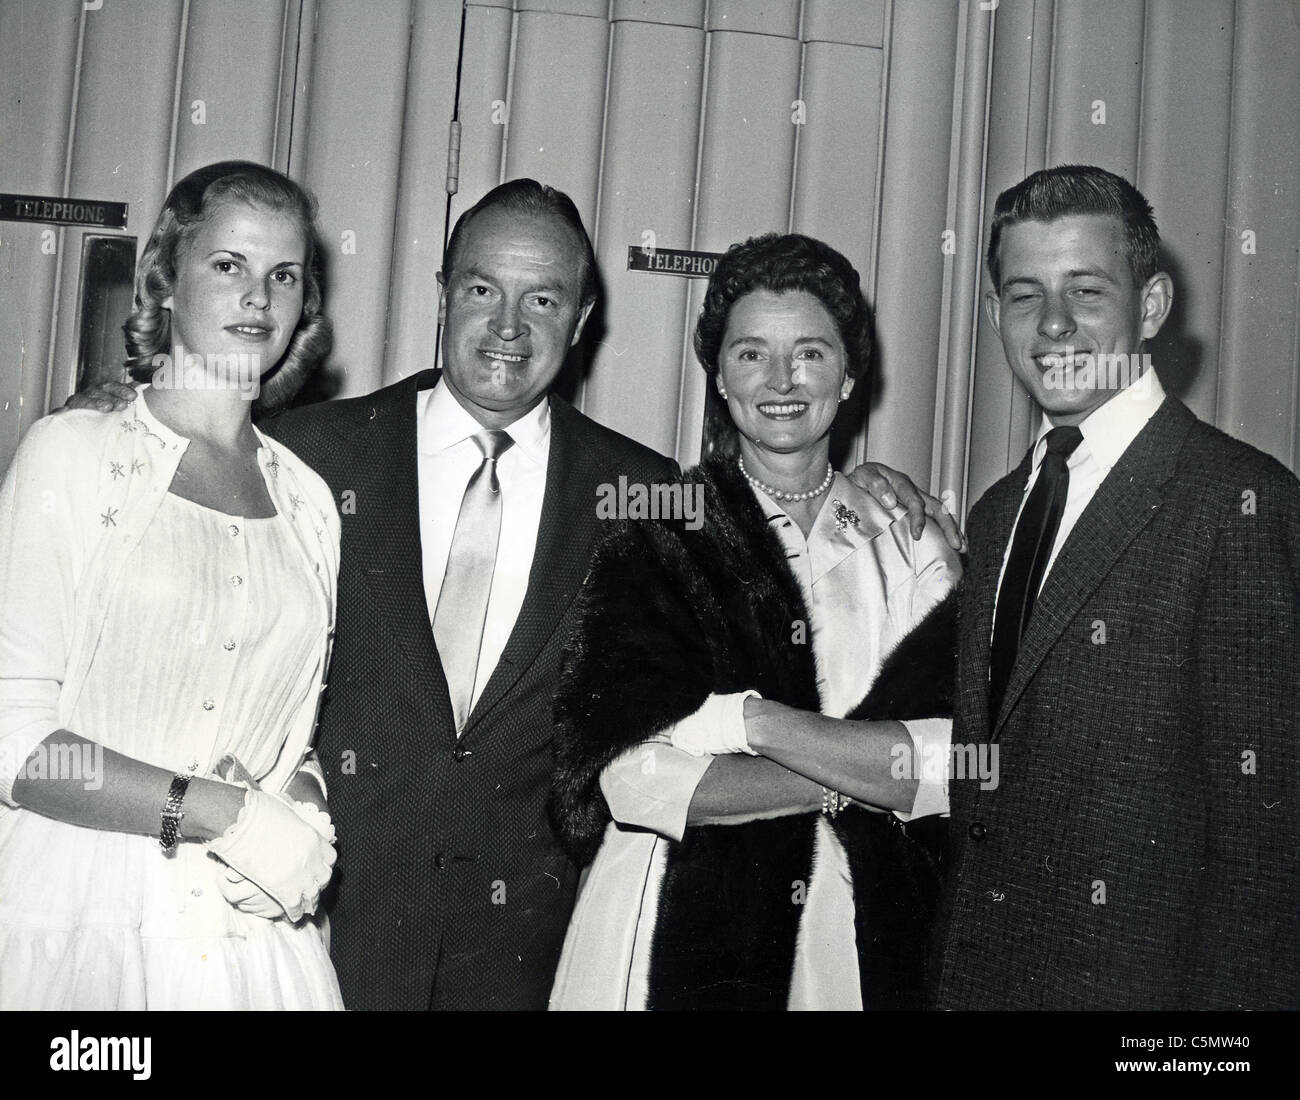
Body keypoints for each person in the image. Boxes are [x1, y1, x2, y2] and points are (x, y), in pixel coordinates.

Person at [71, 179, 961, 1010]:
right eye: (482, 290)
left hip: (527, 957)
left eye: (543, 300)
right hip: (309, 931)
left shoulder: (645, 492)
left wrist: (875, 490)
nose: (508, 326)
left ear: (581, 319)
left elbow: (777, 516)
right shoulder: (304, 453)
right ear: (443, 293)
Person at [548, 232, 961, 1010]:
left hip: (856, 925)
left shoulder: (910, 543)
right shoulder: (661, 531)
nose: (780, 381)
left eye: (810, 353)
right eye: (750, 354)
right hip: (668, 918)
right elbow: (634, 779)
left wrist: (749, 724)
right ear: (719, 375)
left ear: (849, 373)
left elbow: (951, 764)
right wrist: (858, 775)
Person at [932, 164, 1300, 1009]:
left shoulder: (1240, 503)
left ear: (1153, 306)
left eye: (1086, 291)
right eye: (1024, 295)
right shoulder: (996, 513)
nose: (1053, 324)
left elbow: (1269, 852)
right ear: (993, 315)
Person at [0, 161, 343, 1009]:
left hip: (249, 944)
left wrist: (305, 814)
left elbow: (285, 735)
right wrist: (222, 813)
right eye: (228, 264)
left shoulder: (310, 502)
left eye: (284, 275)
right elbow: (14, 738)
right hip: (79, 920)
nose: (258, 296)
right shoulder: (72, 454)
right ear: (164, 276)